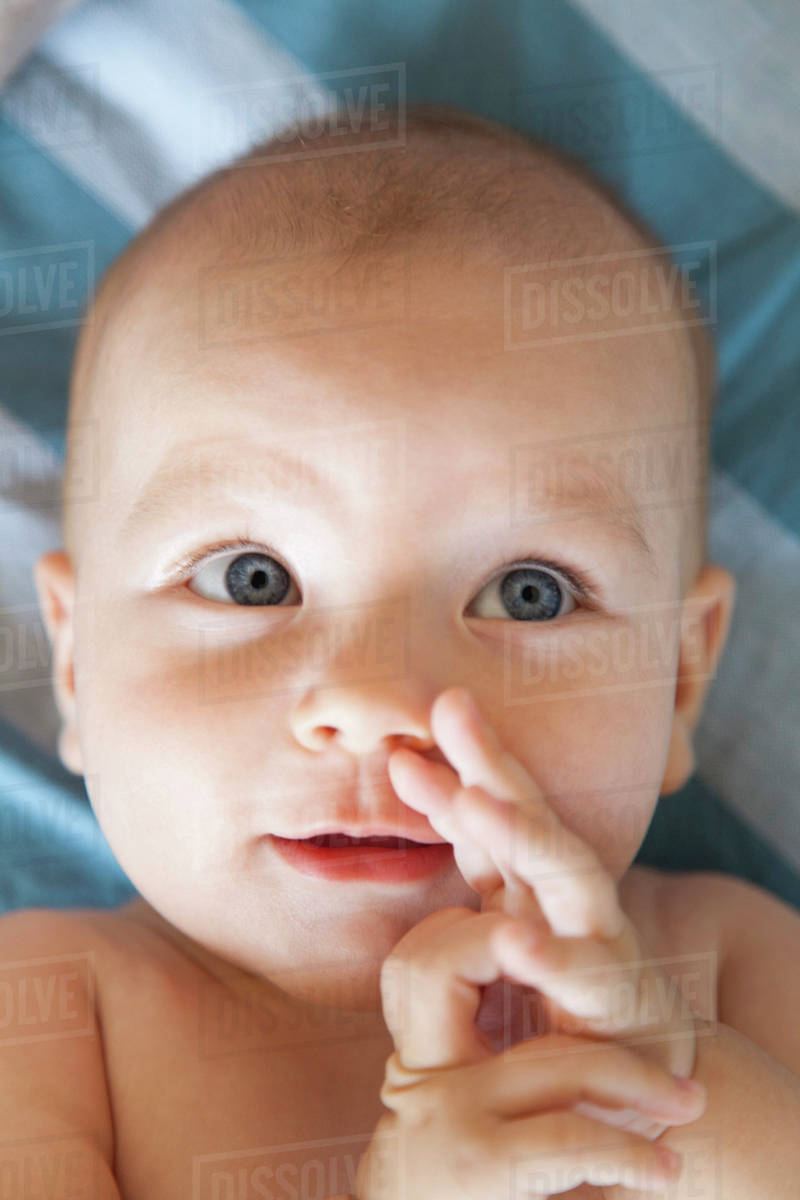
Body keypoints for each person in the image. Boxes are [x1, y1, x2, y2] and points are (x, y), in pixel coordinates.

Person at [15, 105, 800, 1198]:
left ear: (676, 681)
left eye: (528, 594)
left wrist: (679, 1103)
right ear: (74, 663)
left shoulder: (736, 978)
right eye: (251, 578)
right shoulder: (51, 1023)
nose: (381, 701)